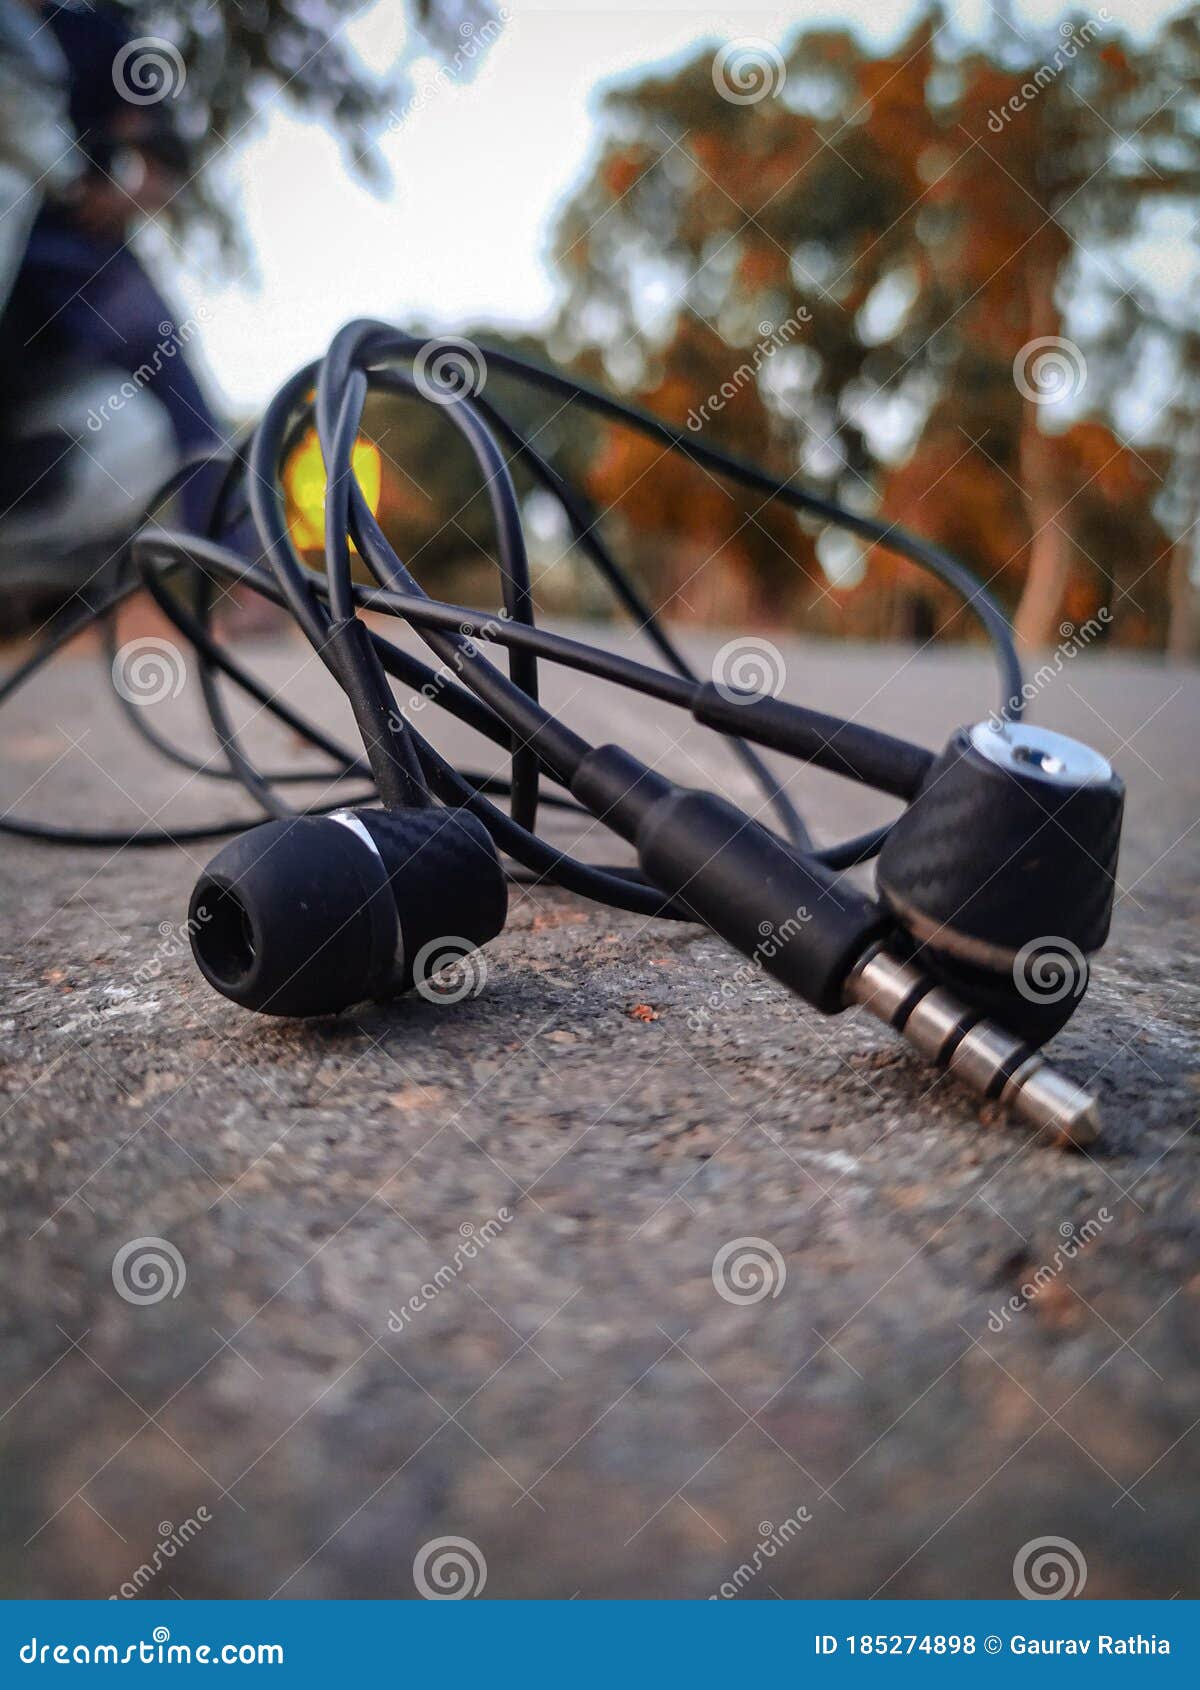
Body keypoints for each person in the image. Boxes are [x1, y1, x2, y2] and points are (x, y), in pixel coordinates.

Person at [0, 0, 223, 547]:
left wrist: (117, 188)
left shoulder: (93, 35)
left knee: (160, 355)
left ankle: (231, 554)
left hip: (73, 252)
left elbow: (159, 162)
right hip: (15, 246)